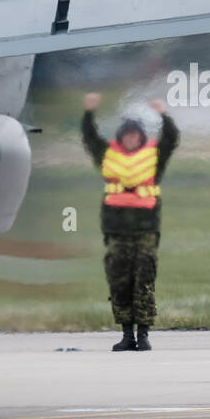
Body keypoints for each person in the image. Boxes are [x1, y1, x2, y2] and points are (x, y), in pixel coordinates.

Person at [81, 93, 179, 351]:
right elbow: (89, 138)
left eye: (135, 135)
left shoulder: (154, 156)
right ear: (121, 137)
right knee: (119, 281)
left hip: (145, 228)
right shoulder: (107, 154)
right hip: (116, 229)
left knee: (144, 280)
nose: (131, 139)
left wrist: (164, 114)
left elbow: (171, 139)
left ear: (141, 136)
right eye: (127, 135)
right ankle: (127, 334)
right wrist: (89, 112)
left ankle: (144, 334)